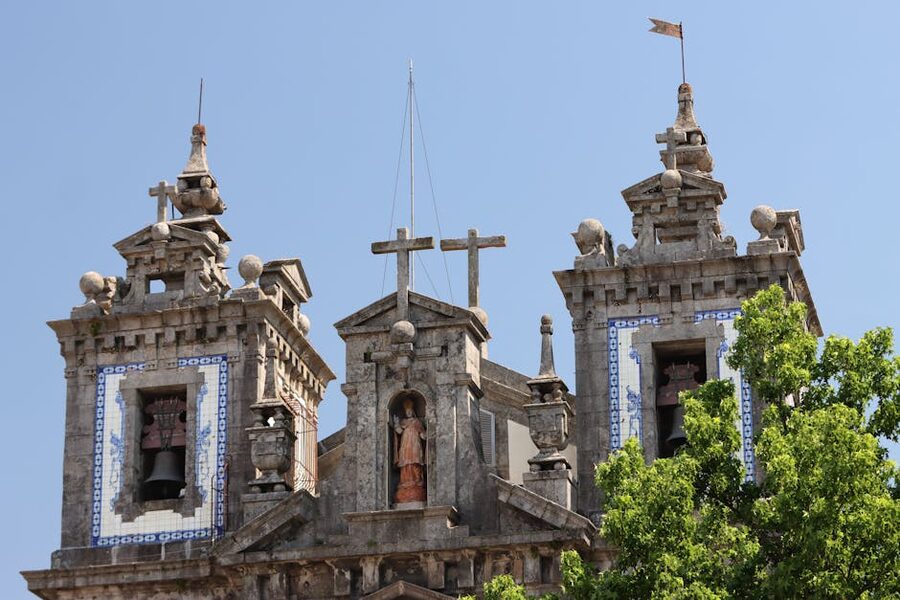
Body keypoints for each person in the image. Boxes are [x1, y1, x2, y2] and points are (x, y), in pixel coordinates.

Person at [392, 398, 426, 503]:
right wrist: (396, 424)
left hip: (415, 445)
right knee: (406, 464)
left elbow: (422, 435)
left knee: (415, 462)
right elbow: (399, 431)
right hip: (406, 445)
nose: (409, 412)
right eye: (407, 411)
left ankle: (417, 481)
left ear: (413, 411)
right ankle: (405, 482)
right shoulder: (404, 422)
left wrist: (428, 434)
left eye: (410, 411)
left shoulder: (417, 422)